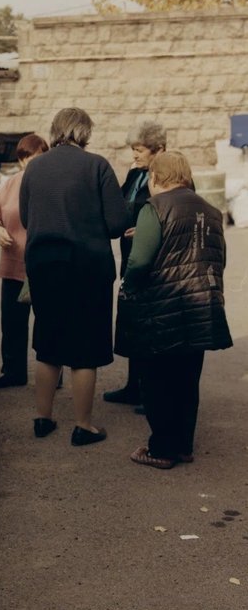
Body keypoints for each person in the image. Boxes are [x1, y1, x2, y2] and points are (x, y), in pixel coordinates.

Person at [114, 151, 232, 469]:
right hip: (201, 304)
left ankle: (161, 449)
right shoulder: (210, 209)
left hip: (164, 307)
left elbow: (139, 261)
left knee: (157, 381)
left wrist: (128, 286)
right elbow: (217, 256)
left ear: (156, 177)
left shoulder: (155, 207)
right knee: (186, 380)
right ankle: (182, 446)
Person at [19, 107, 129, 446]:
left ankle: (43, 418)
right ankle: (83, 426)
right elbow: (116, 223)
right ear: (84, 132)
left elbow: (26, 218)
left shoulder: (34, 167)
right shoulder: (97, 166)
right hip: (87, 267)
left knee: (48, 344)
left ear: (55, 131)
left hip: (44, 264)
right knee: (85, 347)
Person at [104, 120, 167, 407]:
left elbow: (170, 215)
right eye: (133, 149)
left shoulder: (167, 176)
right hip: (130, 257)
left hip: (151, 262)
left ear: (159, 150)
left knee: (150, 326)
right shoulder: (136, 175)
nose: (135, 155)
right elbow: (119, 203)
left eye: (140, 150)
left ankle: (151, 391)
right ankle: (134, 386)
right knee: (131, 321)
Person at [0, 133, 49, 389]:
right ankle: (13, 371)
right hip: (13, 264)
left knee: (47, 322)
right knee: (12, 322)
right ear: (21, 160)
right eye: (27, 159)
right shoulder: (11, 183)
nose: (31, 164)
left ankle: (51, 372)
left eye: (38, 159)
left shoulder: (52, 185)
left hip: (43, 265)